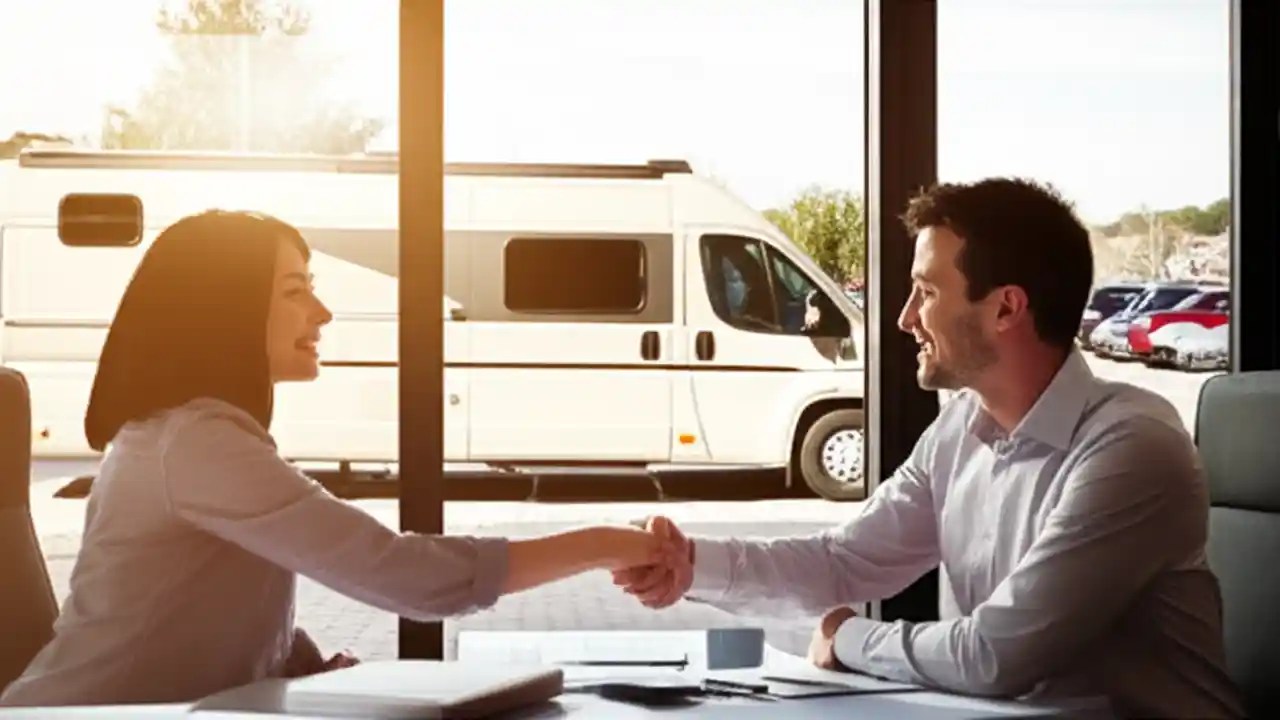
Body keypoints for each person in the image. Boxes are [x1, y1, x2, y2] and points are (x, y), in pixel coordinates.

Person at [615, 178, 1245, 719]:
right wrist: (691, 563)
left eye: (928, 292)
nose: (905, 317)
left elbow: (996, 655)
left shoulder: (1130, 447)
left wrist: (848, 636)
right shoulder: (960, 430)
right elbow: (847, 561)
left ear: (1006, 308)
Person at [0, 210, 664, 707]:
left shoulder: (195, 436)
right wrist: (607, 543)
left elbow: (210, 606)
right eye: (295, 291)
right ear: (222, 309)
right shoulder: (196, 443)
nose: (322, 311)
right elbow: (409, 577)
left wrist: (303, 662)